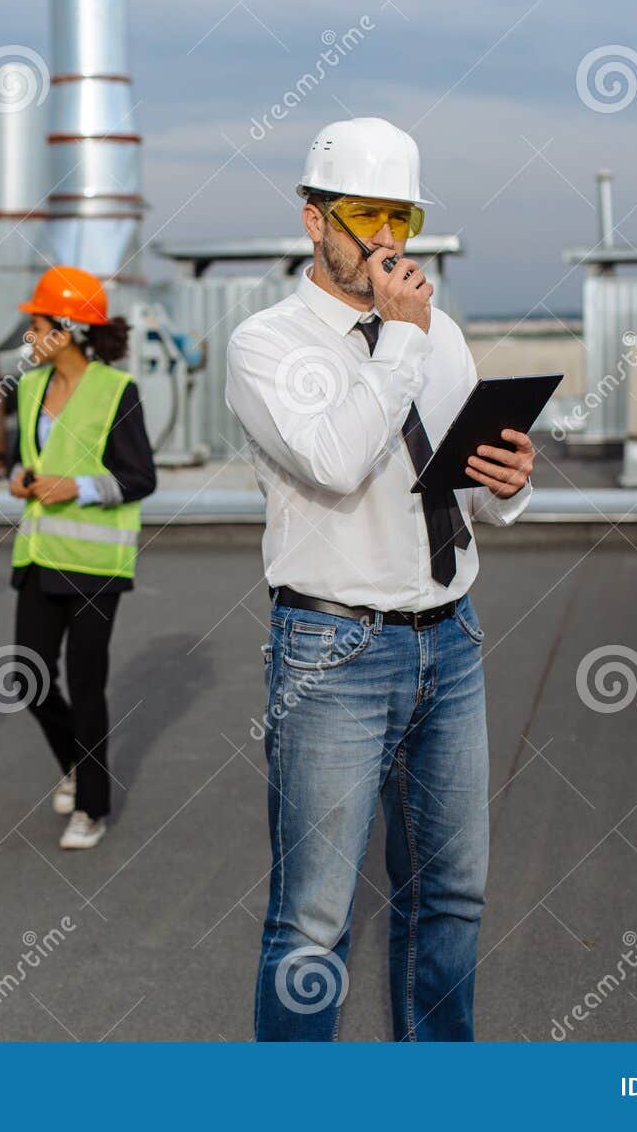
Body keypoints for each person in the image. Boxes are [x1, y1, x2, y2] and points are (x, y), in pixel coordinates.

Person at [225, 118, 537, 1040]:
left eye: (401, 215)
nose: (390, 239)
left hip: (452, 635)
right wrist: (400, 341)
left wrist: (509, 486)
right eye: (367, 215)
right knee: (314, 920)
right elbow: (336, 459)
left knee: (450, 897)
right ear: (314, 220)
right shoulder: (267, 344)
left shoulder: (439, 337)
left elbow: (453, 486)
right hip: (333, 650)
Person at [7, 266, 156, 851]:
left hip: (96, 567)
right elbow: (28, 461)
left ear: (64, 330)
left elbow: (140, 477)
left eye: (35, 325)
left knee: (85, 685)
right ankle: (77, 764)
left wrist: (81, 487)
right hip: (38, 556)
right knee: (26, 677)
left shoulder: (117, 391)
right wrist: (23, 479)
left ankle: (91, 806)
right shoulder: (26, 389)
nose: (28, 336)